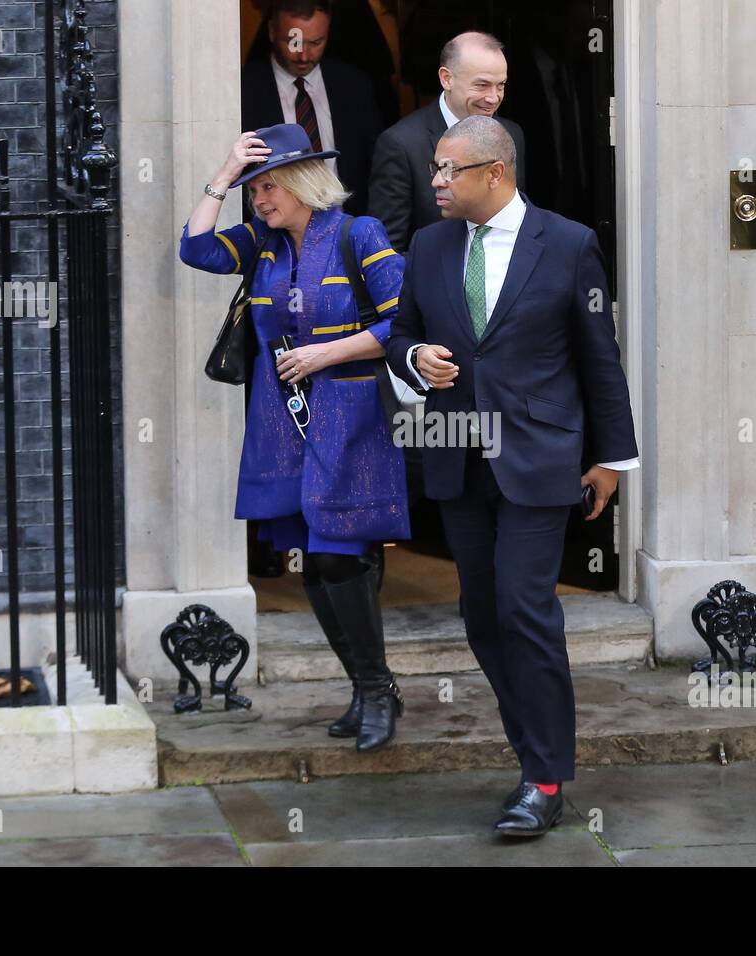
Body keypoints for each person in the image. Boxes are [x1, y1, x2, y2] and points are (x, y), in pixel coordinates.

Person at [387, 116, 639, 837]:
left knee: (526, 611)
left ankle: (545, 776)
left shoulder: (566, 244)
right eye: (435, 168)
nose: (434, 181)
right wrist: (414, 361)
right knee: (483, 615)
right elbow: (402, 333)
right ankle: (535, 754)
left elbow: (600, 360)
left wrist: (611, 459)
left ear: (493, 172)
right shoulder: (430, 245)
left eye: (447, 170)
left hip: (539, 457)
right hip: (458, 452)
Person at [179, 123, 410, 750]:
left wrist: (324, 355)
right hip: (283, 420)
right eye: (253, 189)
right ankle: (365, 691)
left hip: (351, 416)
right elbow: (195, 250)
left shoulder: (357, 234)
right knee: (311, 561)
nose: (259, 199)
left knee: (342, 552)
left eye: (268, 186)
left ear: (306, 182)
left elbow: (402, 321)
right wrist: (222, 177)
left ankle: (378, 688)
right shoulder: (263, 243)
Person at [368, 31, 527, 253]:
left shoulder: (510, 134)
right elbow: (385, 254)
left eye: (500, 85)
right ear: (446, 79)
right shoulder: (401, 144)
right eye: (481, 85)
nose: (493, 98)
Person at [241, 0, 385, 216]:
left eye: (316, 42)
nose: (304, 56)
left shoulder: (355, 86)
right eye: (293, 42)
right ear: (271, 31)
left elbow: (376, 167)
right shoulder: (242, 89)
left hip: (346, 228)